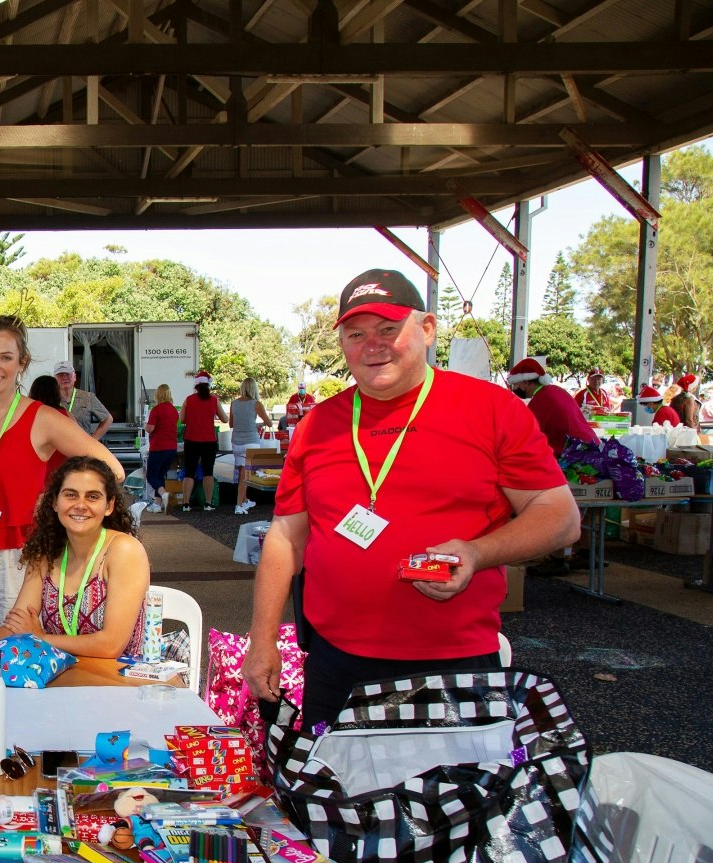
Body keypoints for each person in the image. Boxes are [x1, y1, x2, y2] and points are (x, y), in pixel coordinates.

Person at [243, 268, 580, 731]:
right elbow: (285, 536)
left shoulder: (491, 409)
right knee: (332, 796)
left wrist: (478, 552)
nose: (372, 345)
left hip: (452, 663)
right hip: (334, 662)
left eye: (388, 329)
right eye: (356, 334)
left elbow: (559, 516)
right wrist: (262, 640)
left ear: (426, 330)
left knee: (453, 801)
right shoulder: (317, 425)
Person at [0, 315, 123, 645]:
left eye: (5, 357)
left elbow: (112, 468)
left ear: (21, 363)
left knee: (17, 655)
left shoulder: (42, 418)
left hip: (19, 557)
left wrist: (56, 496)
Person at [0, 456, 149, 665]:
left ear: (109, 506)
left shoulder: (124, 550)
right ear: (54, 502)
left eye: (92, 497)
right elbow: (18, 622)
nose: (80, 505)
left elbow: (111, 645)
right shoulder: (46, 552)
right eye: (70, 495)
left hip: (120, 682)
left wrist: (41, 638)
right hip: (59, 674)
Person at [506, 357, 597, 455]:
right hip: (589, 445)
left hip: (578, 453)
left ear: (525, 383)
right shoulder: (555, 390)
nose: (514, 388)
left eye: (515, 384)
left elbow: (527, 435)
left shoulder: (540, 400)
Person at [176, 374, 227, 512]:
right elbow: (225, 419)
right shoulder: (214, 400)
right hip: (209, 440)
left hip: (191, 439)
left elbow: (182, 419)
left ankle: (186, 503)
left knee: (189, 471)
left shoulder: (189, 400)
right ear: (208, 386)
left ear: (196, 386)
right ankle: (208, 503)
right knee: (208, 472)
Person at [229, 378, 273, 514]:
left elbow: (231, 424)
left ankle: (244, 500)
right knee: (245, 476)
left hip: (236, 441)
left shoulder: (234, 403)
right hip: (251, 442)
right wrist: (256, 425)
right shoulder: (256, 404)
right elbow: (269, 423)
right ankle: (238, 505)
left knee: (242, 472)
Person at [52, 358, 113, 440]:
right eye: (60, 374)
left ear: (74, 377)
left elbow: (108, 419)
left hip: (81, 449)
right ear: (55, 379)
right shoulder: (50, 398)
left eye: (68, 374)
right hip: (57, 448)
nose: (64, 377)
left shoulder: (87, 397)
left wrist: (92, 440)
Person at [143, 384, 179, 513]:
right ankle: (158, 504)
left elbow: (150, 428)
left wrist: (145, 425)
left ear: (158, 395)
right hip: (171, 447)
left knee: (151, 475)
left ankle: (164, 495)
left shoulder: (156, 410)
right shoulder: (174, 410)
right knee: (160, 475)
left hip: (158, 447)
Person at [28, 374, 70, 476]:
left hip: (35, 472)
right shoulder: (65, 415)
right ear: (56, 393)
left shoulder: (28, 414)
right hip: (61, 473)